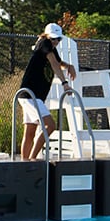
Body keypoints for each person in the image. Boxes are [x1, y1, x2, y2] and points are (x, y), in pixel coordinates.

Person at [18, 23, 76, 161]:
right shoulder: (44, 43)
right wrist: (65, 84)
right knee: (50, 125)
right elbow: (54, 64)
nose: (55, 42)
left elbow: (58, 62)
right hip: (30, 95)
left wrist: (69, 65)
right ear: (47, 36)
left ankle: (24, 164)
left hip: (31, 96)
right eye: (53, 39)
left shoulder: (50, 47)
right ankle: (32, 160)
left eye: (58, 40)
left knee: (30, 132)